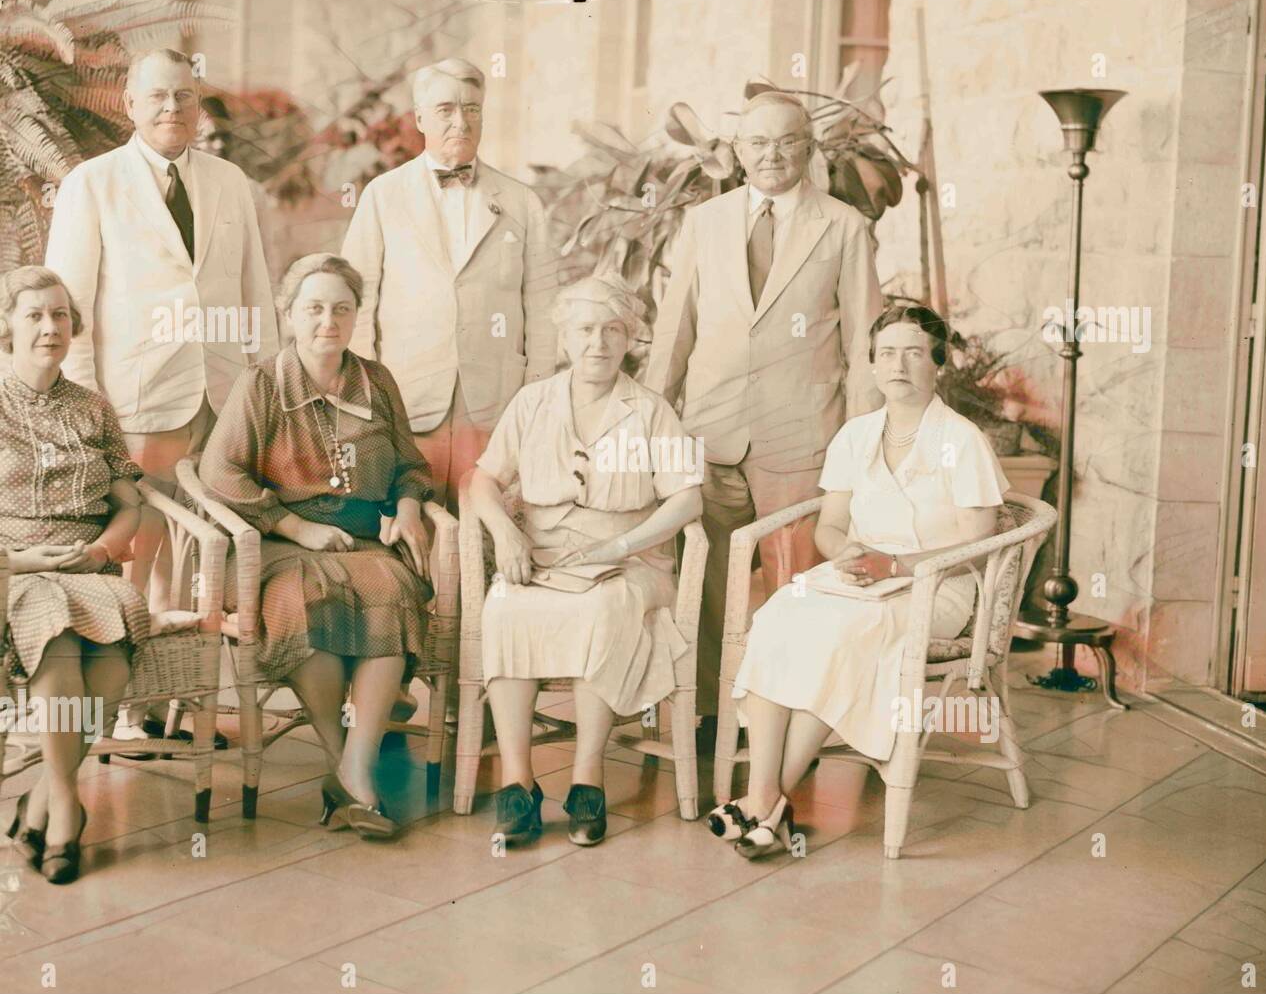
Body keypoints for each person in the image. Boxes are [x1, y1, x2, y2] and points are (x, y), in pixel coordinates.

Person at [44, 47, 278, 751]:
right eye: (157, 96)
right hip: (133, 400)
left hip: (219, 394)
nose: (171, 108)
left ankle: (186, 699)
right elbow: (70, 304)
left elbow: (254, 289)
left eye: (183, 95)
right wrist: (89, 408)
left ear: (198, 103)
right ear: (129, 103)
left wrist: (258, 384)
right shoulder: (93, 184)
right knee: (137, 550)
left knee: (199, 551)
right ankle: (126, 705)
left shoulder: (230, 182)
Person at [714, 303, 1010, 858]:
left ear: (937, 365)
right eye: (888, 353)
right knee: (780, 616)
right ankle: (766, 801)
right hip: (861, 575)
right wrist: (846, 553)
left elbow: (978, 542)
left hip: (936, 585)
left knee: (838, 639)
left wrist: (896, 566)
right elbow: (829, 526)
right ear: (872, 365)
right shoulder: (856, 434)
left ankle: (762, 803)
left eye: (915, 353)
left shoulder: (960, 439)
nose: (900, 365)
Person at [645, 89, 884, 752]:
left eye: (785, 142)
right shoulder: (706, 221)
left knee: (797, 591)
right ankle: (710, 718)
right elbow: (674, 332)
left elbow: (866, 346)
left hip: (803, 439)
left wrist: (859, 449)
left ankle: (785, 729)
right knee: (708, 589)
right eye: (757, 142)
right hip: (709, 432)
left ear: (809, 149)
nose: (770, 155)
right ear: (737, 150)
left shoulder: (843, 227)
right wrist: (650, 425)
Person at [197, 254, 436, 838]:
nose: (328, 320)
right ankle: (347, 764)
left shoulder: (376, 382)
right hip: (280, 544)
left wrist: (407, 508)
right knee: (304, 599)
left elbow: (410, 465)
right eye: (314, 308)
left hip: (361, 542)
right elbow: (217, 474)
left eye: (341, 308)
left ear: (357, 316)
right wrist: (294, 527)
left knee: (394, 587)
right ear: (289, 316)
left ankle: (352, 771)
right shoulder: (262, 385)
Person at [468, 275, 703, 847]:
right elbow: (482, 479)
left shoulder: (649, 410)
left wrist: (620, 548)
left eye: (612, 330)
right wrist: (504, 532)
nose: (598, 342)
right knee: (503, 610)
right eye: (585, 330)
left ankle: (586, 776)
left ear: (629, 340)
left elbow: (687, 498)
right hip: (543, 556)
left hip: (628, 562)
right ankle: (520, 783)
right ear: (565, 338)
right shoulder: (533, 401)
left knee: (603, 609)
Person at [342, 56, 559, 515]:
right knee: (407, 528)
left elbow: (543, 308)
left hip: (495, 404)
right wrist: (367, 394)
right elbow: (356, 301)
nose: (461, 121)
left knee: (483, 531)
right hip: (405, 399)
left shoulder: (522, 201)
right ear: (419, 117)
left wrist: (536, 398)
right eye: (445, 109)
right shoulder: (383, 194)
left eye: (472, 109)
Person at [0, 267, 150, 885]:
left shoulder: (92, 408)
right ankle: (65, 806)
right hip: (14, 568)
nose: (49, 327)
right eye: (34, 314)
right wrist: (16, 561)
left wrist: (105, 552)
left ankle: (40, 797)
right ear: (7, 323)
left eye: (59, 315)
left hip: (86, 563)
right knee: (57, 630)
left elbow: (130, 503)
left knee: (115, 642)